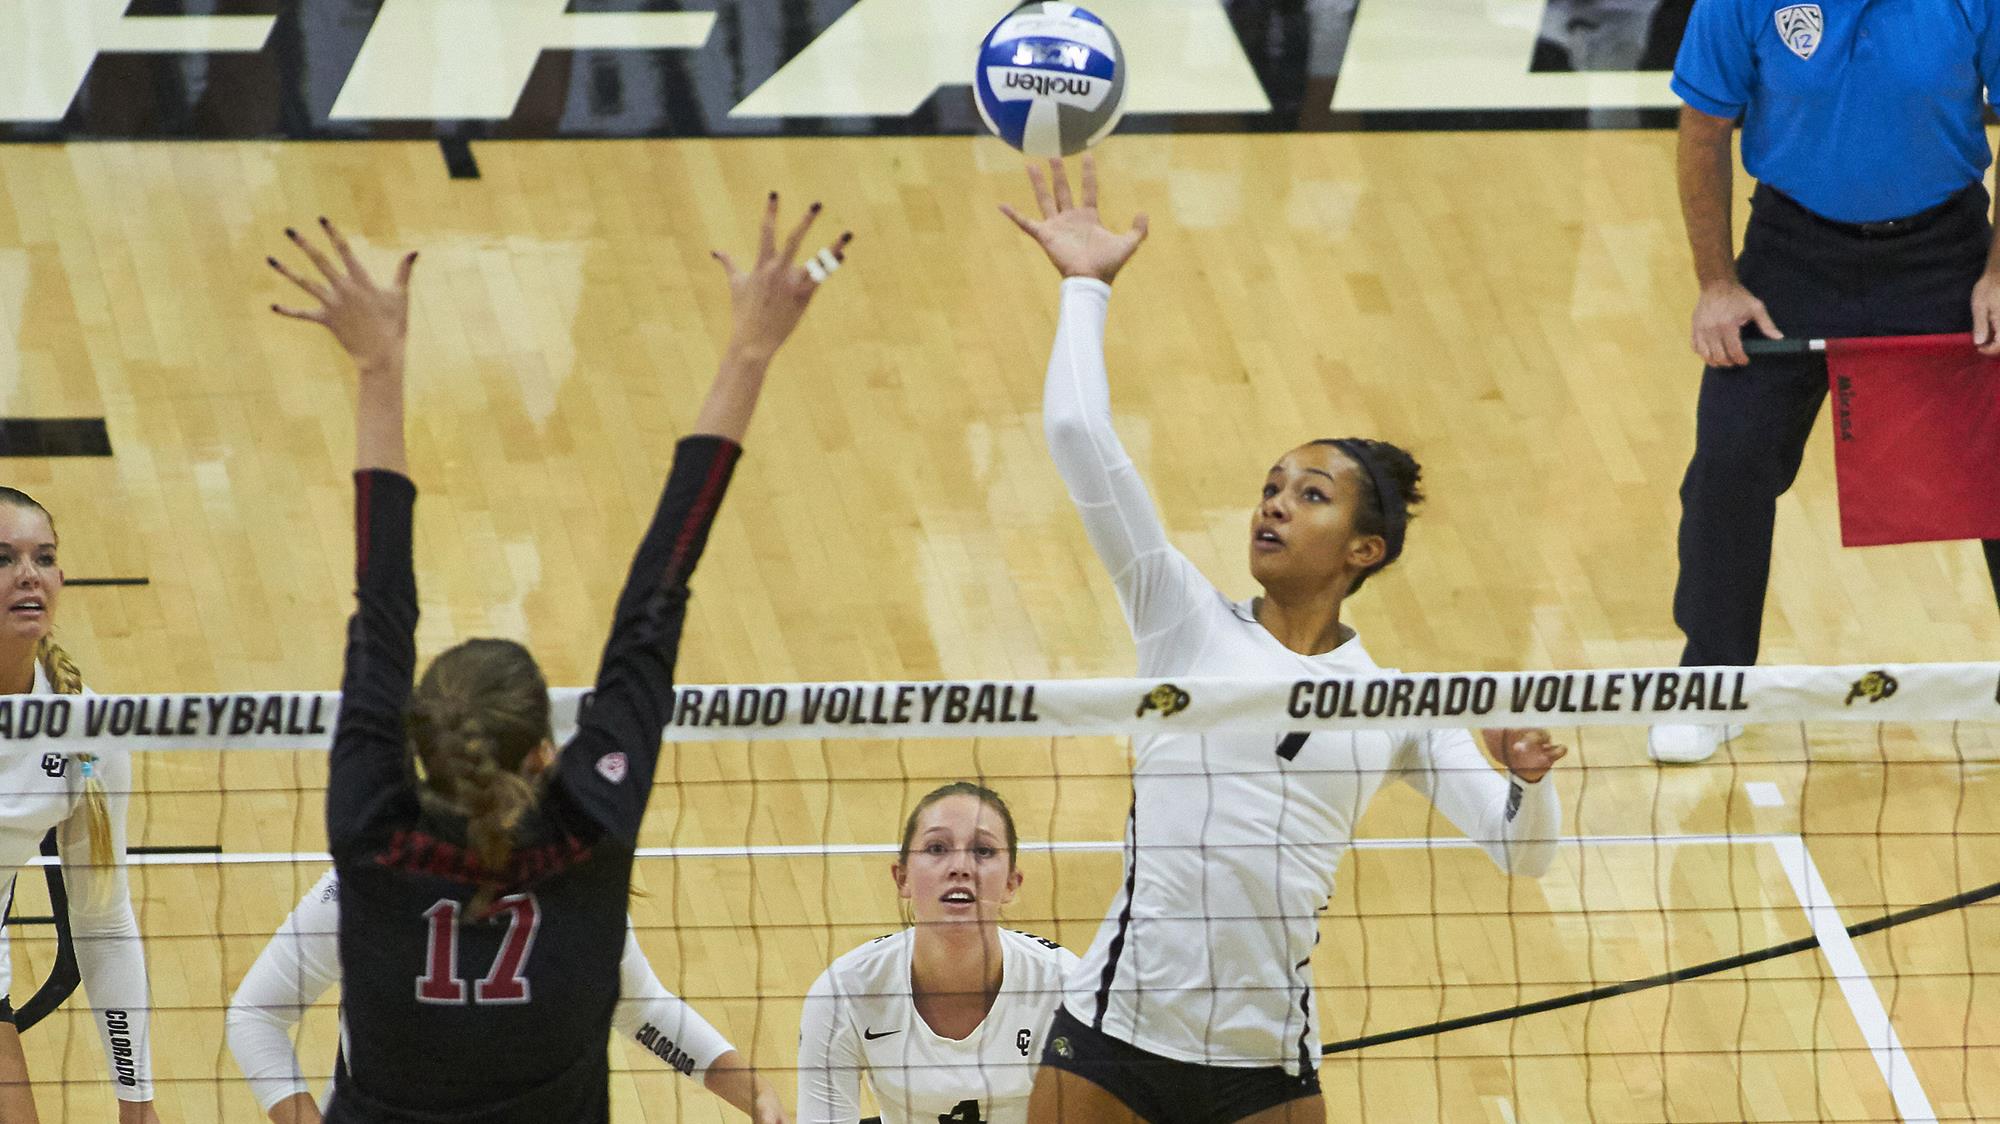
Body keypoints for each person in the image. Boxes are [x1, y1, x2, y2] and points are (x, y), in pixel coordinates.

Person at [998, 156, 1567, 1124]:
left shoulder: (1395, 707)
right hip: (1110, 1038)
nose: (1272, 504)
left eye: (1308, 495)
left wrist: (1528, 780)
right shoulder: (1178, 615)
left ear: (1362, 547)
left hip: (1264, 1066)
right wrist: (1084, 284)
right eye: (1269, 486)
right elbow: (1076, 433)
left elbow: (1522, 855)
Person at [267, 197, 848, 1121]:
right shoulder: (588, 827)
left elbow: (382, 610)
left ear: (418, 746)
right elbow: (658, 593)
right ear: (546, 750)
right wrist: (749, 353)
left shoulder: (373, 833)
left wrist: (379, 367)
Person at [1653, 0, 2000, 762]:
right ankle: (1710, 683)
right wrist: (1716, 283)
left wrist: (1998, 271)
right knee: (1729, 463)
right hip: (1791, 252)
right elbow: (1705, 128)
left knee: (1999, 468)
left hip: (1943, 253)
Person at [225, 867, 787, 1123]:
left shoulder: (579, 897)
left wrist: (756, 1095)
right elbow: (256, 1015)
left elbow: (643, 1011)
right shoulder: (365, 887)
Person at [0, 487, 162, 1123]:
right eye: (3, 557)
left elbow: (103, 924)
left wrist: (136, 1101)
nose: (29, 574)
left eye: (43, 557)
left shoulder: (86, 732)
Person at [797, 782, 1077, 1124]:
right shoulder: (843, 992)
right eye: (937, 848)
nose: (960, 867)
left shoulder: (1067, 986)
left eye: (983, 851)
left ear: (1010, 883)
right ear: (902, 879)